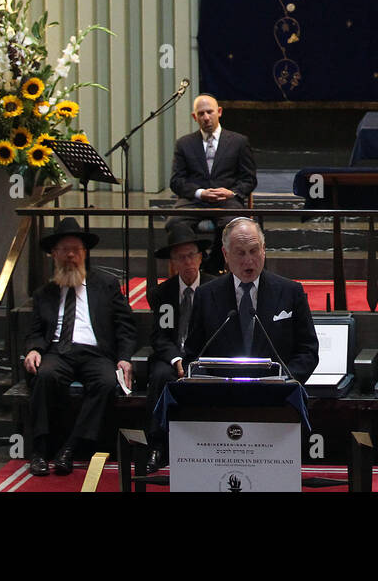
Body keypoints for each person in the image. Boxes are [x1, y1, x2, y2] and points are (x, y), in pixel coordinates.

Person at [23, 218, 137, 477]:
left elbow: (125, 326)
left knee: (107, 383)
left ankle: (69, 449)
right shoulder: (45, 293)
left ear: (85, 253)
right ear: (54, 255)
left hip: (96, 353)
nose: (71, 255)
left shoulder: (106, 285)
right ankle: (39, 450)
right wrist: (33, 349)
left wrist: (124, 358)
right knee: (43, 376)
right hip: (57, 352)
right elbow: (36, 331)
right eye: (64, 250)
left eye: (76, 249)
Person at [181, 218, 319, 381]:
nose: (248, 260)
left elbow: (307, 351)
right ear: (226, 254)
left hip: (276, 397)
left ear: (264, 249)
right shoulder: (206, 295)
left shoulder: (290, 291)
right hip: (222, 397)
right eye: (240, 253)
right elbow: (193, 355)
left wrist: (286, 382)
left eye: (254, 251)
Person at [143, 222, 215, 474]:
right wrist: (176, 360)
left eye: (191, 256)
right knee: (161, 376)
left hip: (203, 354)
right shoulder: (163, 293)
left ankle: (208, 446)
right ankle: (157, 445)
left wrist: (194, 360)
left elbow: (217, 331)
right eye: (181, 258)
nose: (187, 263)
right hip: (172, 356)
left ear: (200, 257)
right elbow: (160, 337)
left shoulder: (213, 289)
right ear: (173, 262)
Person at [169, 94, 258, 222]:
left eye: (210, 112)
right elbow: (176, 181)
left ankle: (218, 243)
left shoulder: (239, 142)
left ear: (219, 112)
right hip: (193, 202)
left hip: (228, 203)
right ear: (194, 117)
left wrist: (232, 193)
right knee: (175, 223)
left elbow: (249, 179)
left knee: (232, 225)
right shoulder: (184, 144)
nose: (206, 117)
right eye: (201, 114)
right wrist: (200, 193)